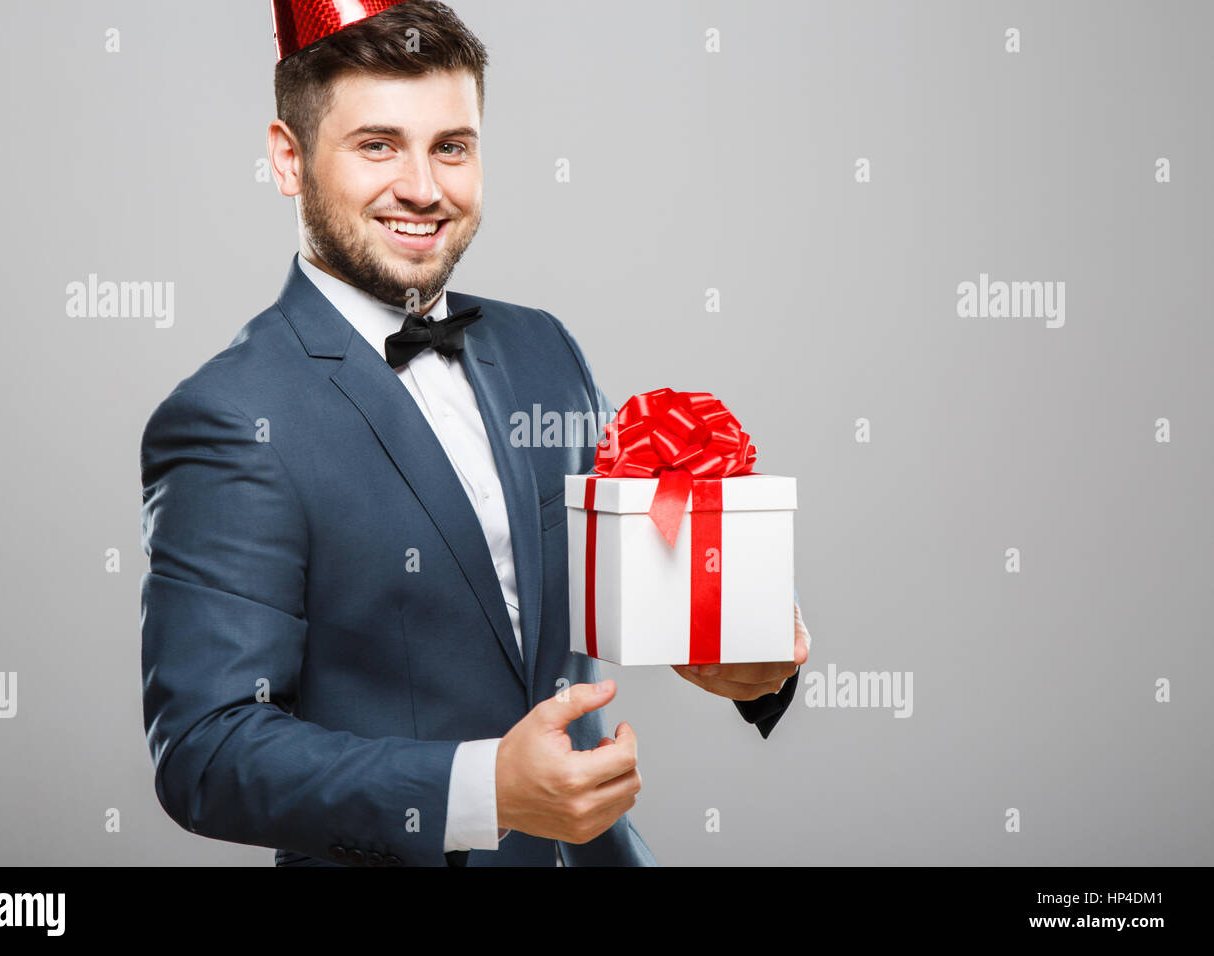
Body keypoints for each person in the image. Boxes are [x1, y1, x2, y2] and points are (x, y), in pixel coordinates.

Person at [138, 0, 810, 868]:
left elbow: (639, 577)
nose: (423, 187)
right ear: (288, 158)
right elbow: (206, 751)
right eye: (378, 145)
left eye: (451, 146)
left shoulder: (543, 349)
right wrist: (481, 790)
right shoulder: (230, 416)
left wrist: (740, 642)